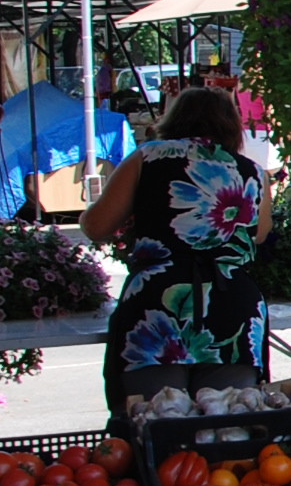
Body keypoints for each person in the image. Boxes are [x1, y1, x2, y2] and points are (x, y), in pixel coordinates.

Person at [82, 87, 273, 424]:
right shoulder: (254, 172)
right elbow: (257, 234)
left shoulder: (149, 157)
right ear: (231, 126)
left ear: (174, 120)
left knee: (155, 426)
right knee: (228, 431)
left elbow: (96, 226)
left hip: (157, 306)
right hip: (232, 307)